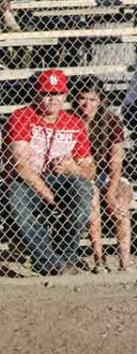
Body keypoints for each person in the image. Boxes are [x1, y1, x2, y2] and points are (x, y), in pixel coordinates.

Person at [4, 69, 95, 276]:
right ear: (36, 93)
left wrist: (74, 168)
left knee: (83, 194)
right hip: (28, 181)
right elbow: (20, 164)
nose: (52, 99)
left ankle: (65, 259)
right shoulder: (21, 117)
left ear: (65, 95)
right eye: (46, 93)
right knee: (18, 202)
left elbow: (90, 171)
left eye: (57, 93)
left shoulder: (75, 124)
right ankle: (50, 261)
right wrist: (44, 191)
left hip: (64, 180)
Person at [74, 77, 133, 272]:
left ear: (100, 100)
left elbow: (116, 162)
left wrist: (111, 193)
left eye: (92, 99)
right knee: (92, 199)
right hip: (81, 176)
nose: (86, 104)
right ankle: (98, 258)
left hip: (107, 175)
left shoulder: (111, 121)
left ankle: (125, 260)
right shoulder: (70, 121)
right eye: (82, 98)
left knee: (122, 200)